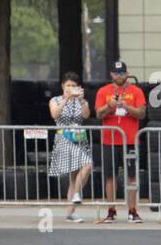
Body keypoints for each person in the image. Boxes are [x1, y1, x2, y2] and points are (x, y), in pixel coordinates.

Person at [93, 60, 146, 223]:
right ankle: (111, 210)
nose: (119, 76)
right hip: (110, 140)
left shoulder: (136, 91)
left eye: (122, 73)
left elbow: (142, 113)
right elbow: (98, 114)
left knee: (131, 176)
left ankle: (132, 210)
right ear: (111, 74)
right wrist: (109, 106)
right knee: (110, 176)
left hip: (130, 140)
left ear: (127, 73)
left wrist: (126, 106)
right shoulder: (103, 91)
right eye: (116, 73)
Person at [47, 72, 93, 223]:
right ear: (62, 86)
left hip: (80, 140)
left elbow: (86, 116)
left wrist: (81, 100)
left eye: (74, 86)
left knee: (74, 178)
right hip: (64, 139)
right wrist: (66, 99)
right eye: (68, 86)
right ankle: (76, 196)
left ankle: (70, 212)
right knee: (87, 165)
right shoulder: (55, 100)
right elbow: (54, 114)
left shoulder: (82, 101)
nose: (71, 88)